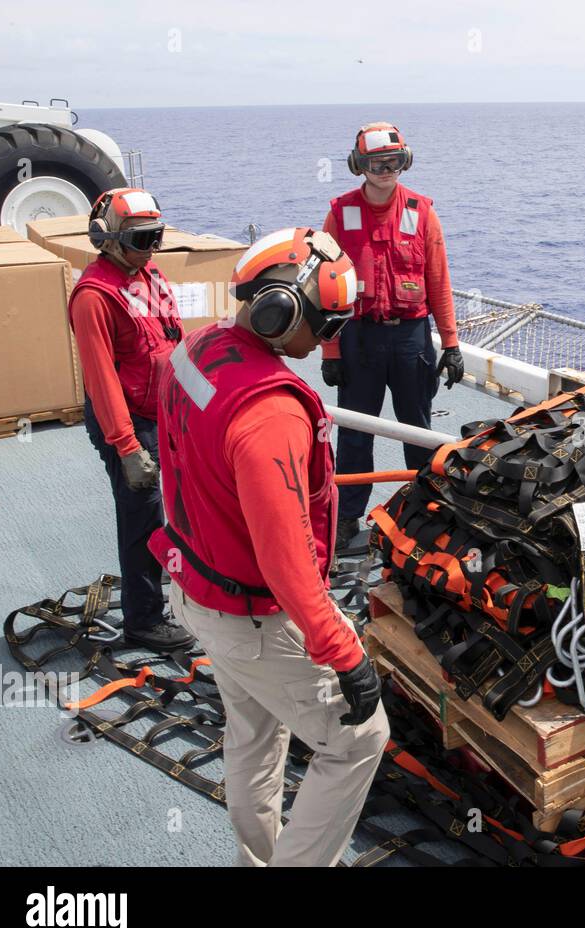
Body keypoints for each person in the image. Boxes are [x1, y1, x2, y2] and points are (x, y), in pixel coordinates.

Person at [151, 227, 389, 867]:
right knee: (360, 739)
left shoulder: (195, 347)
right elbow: (285, 560)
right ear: (281, 309)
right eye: (325, 323)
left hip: (197, 589)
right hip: (255, 615)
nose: (327, 339)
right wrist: (342, 651)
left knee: (255, 732)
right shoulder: (271, 415)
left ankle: (256, 859)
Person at [321, 121, 465, 550]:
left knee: (417, 430)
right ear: (358, 166)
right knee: (355, 432)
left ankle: (425, 511)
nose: (385, 170)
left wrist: (451, 344)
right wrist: (331, 349)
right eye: (375, 163)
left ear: (405, 162)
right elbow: (327, 285)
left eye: (393, 162)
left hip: (411, 340)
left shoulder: (422, 211)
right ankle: (348, 516)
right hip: (358, 339)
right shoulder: (339, 213)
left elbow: (438, 281)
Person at [69, 187, 190, 651]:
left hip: (163, 415)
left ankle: (179, 596)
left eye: (156, 237)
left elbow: (172, 341)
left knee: (177, 510)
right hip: (128, 425)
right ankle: (143, 620)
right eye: (141, 240)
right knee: (142, 520)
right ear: (109, 239)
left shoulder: (148, 274)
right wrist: (127, 447)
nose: (151, 250)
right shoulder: (93, 297)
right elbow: (102, 382)